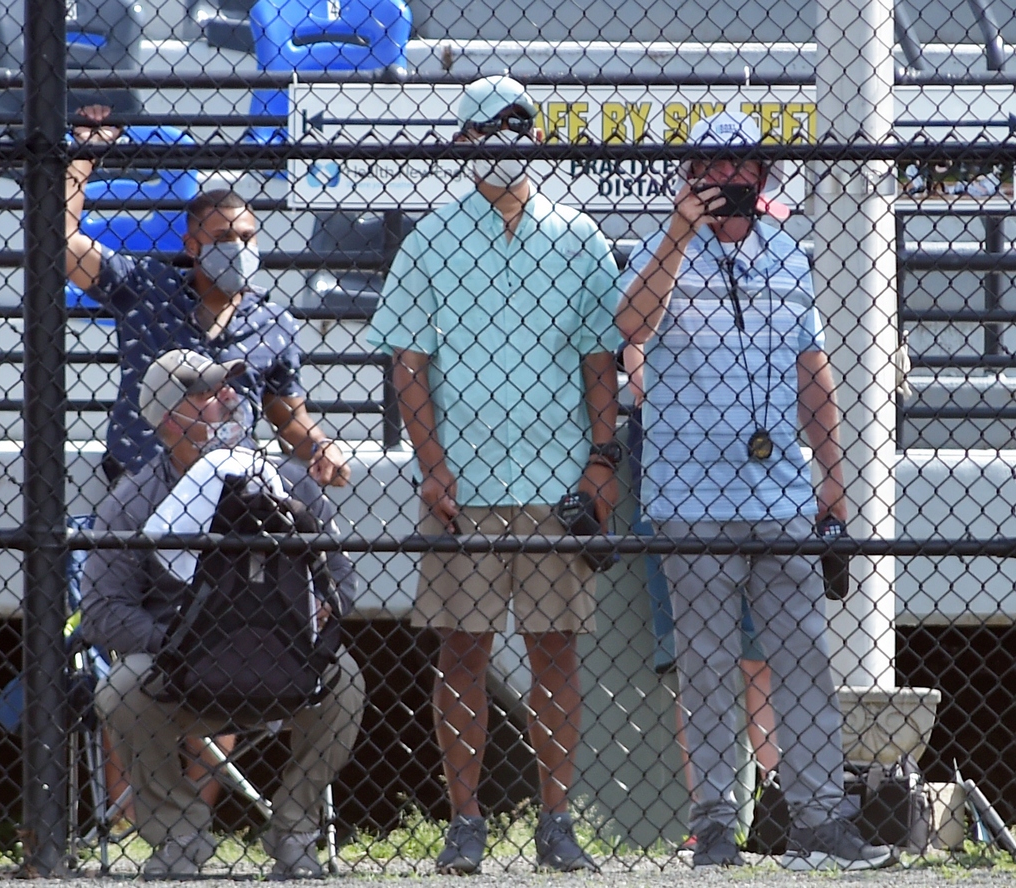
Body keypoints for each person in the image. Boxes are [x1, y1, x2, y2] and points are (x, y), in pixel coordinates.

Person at [616, 110, 898, 871]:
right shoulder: (658, 249)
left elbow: (813, 367)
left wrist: (833, 473)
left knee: (803, 654)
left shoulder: (786, 256)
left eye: (744, 166)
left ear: (765, 176)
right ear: (690, 175)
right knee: (705, 664)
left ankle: (818, 823)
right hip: (687, 496)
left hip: (779, 494)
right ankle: (714, 826)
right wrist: (680, 232)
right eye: (714, 166)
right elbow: (630, 326)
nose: (731, 178)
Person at [369, 75, 621, 874]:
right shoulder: (431, 240)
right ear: (464, 145)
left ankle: (556, 822)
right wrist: (432, 468)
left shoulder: (580, 239)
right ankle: (466, 820)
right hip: (463, 491)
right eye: (491, 130)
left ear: (536, 140)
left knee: (556, 654)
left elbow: (600, 365)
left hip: (556, 486)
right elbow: (408, 364)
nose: (507, 143)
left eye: (519, 127)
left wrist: (600, 460)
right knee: (462, 654)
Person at [81, 350, 366, 880]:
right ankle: (179, 832)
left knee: (345, 679)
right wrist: (180, 641)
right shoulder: (135, 498)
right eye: (210, 394)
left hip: (283, 659)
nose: (231, 399)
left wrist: (327, 610)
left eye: (229, 389)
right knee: (120, 689)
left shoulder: (287, 481)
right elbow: (101, 610)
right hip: (181, 670)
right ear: (172, 417)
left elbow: (342, 582)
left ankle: (295, 830)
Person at [65, 105, 350, 488]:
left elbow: (286, 415)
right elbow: (61, 244)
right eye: (223, 238)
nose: (238, 248)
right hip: (146, 473)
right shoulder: (146, 286)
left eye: (247, 238)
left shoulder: (273, 321)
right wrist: (85, 155)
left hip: (231, 483)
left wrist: (320, 447)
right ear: (192, 246)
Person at [623, 342, 779, 852]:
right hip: (675, 475)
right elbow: (638, 363)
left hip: (750, 474)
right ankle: (711, 822)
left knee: (761, 657)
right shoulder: (655, 275)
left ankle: (779, 809)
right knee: (697, 657)